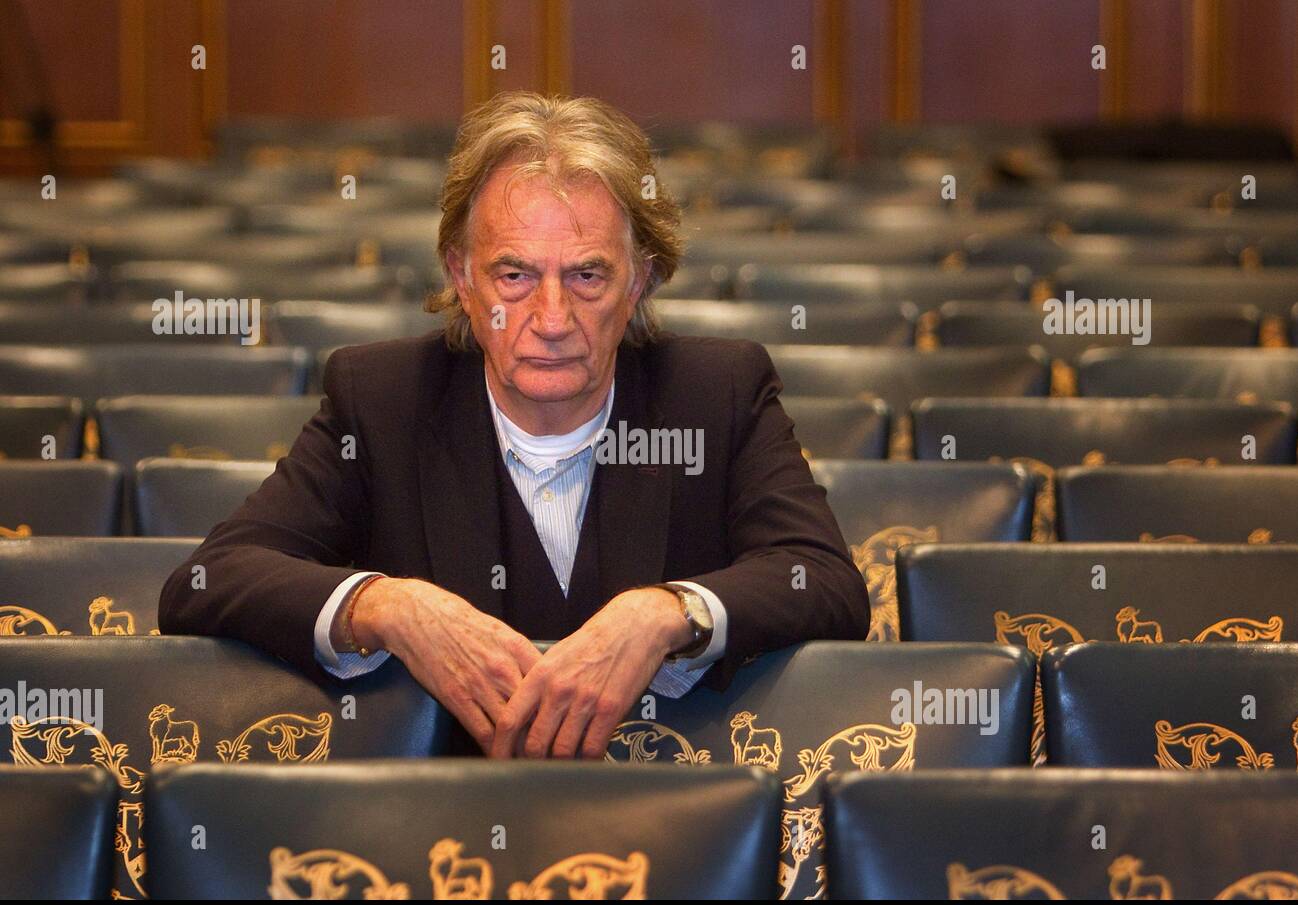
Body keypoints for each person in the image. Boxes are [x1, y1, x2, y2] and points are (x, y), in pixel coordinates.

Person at [159, 91, 870, 759]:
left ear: (641, 280)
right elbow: (202, 581)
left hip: (666, 823)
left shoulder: (717, 393)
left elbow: (826, 583)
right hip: (443, 837)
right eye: (514, 276)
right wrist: (386, 603)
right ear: (461, 277)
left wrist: (666, 613)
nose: (552, 318)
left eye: (588, 275)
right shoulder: (380, 401)